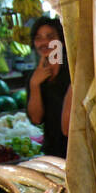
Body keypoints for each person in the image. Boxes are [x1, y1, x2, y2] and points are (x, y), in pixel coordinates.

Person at [26, 15, 71, 158]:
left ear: (62, 42)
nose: (44, 42)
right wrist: (34, 85)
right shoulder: (34, 78)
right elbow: (36, 119)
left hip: (78, 148)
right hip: (52, 152)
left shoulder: (73, 72)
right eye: (38, 38)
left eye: (50, 37)